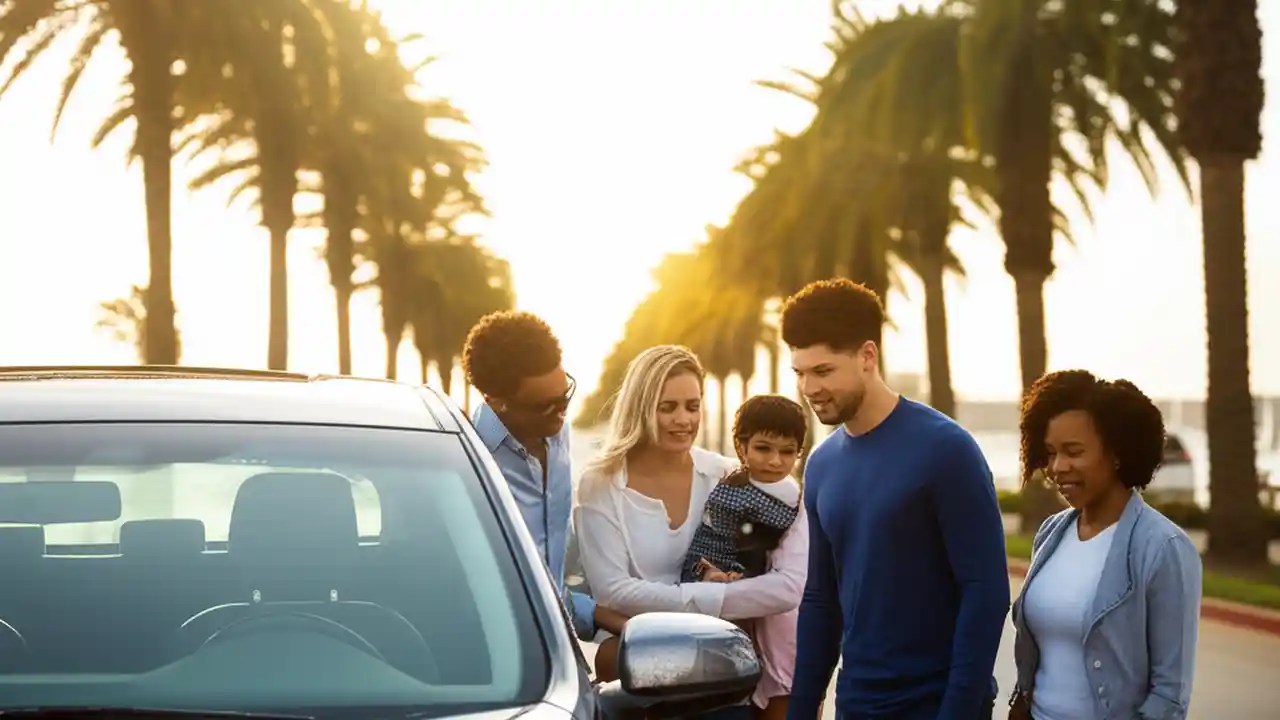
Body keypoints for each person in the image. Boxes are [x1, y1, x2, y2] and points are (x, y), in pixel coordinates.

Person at [782, 278, 1009, 720]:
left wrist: (957, 711)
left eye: (823, 371)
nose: (809, 388)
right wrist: (802, 709)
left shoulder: (946, 450)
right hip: (858, 704)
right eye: (800, 372)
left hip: (937, 704)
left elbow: (985, 592)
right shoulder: (822, 465)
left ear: (868, 356)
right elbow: (820, 600)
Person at [575, 345, 809, 719]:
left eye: (692, 405)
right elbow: (613, 590)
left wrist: (706, 606)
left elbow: (787, 588)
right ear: (640, 407)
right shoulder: (599, 485)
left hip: (726, 663)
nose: (683, 420)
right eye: (667, 407)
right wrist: (714, 601)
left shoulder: (730, 476)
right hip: (637, 666)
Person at [1008, 370, 1202, 720]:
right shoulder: (1051, 533)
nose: (1057, 467)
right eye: (1050, 453)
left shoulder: (1163, 548)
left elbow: (1170, 694)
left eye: (1073, 452)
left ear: (1116, 453)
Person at [462, 311, 626, 641]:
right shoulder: (466, 460)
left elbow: (549, 576)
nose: (562, 411)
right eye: (545, 405)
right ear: (495, 401)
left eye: (565, 393)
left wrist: (603, 617)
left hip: (556, 647)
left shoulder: (558, 434)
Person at [682, 394, 806, 586]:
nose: (775, 461)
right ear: (741, 447)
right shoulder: (732, 495)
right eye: (763, 449)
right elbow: (719, 549)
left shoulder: (794, 491)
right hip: (719, 580)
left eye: (787, 451)